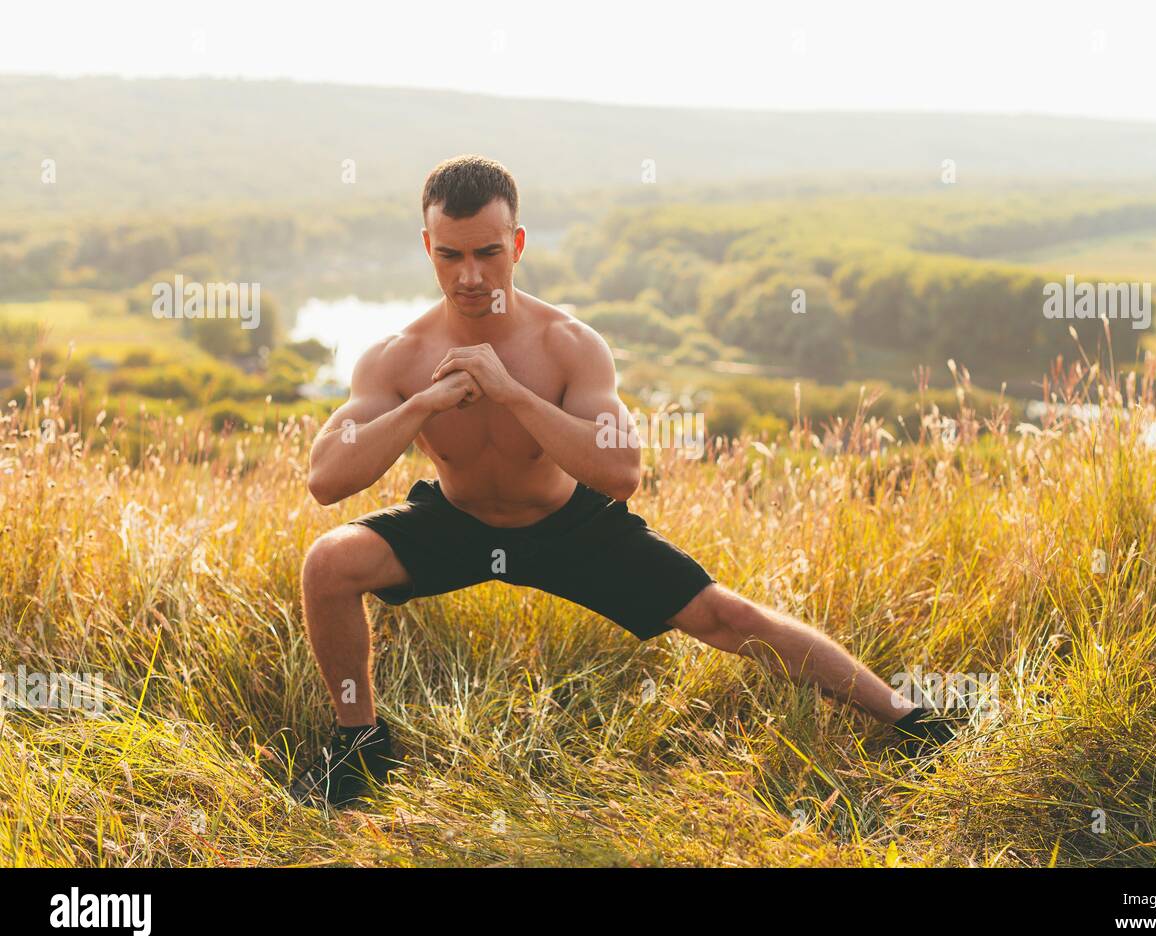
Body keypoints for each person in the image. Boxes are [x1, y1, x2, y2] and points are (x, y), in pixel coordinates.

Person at [290, 155, 953, 808]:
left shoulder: (568, 344)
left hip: (566, 526)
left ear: (517, 244)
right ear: (428, 247)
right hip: (456, 523)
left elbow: (622, 472)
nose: (470, 275)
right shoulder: (399, 356)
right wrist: (421, 407)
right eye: (450, 255)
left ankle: (913, 721)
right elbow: (326, 477)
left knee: (727, 615)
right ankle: (361, 748)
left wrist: (513, 393)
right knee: (329, 563)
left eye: (488, 252)